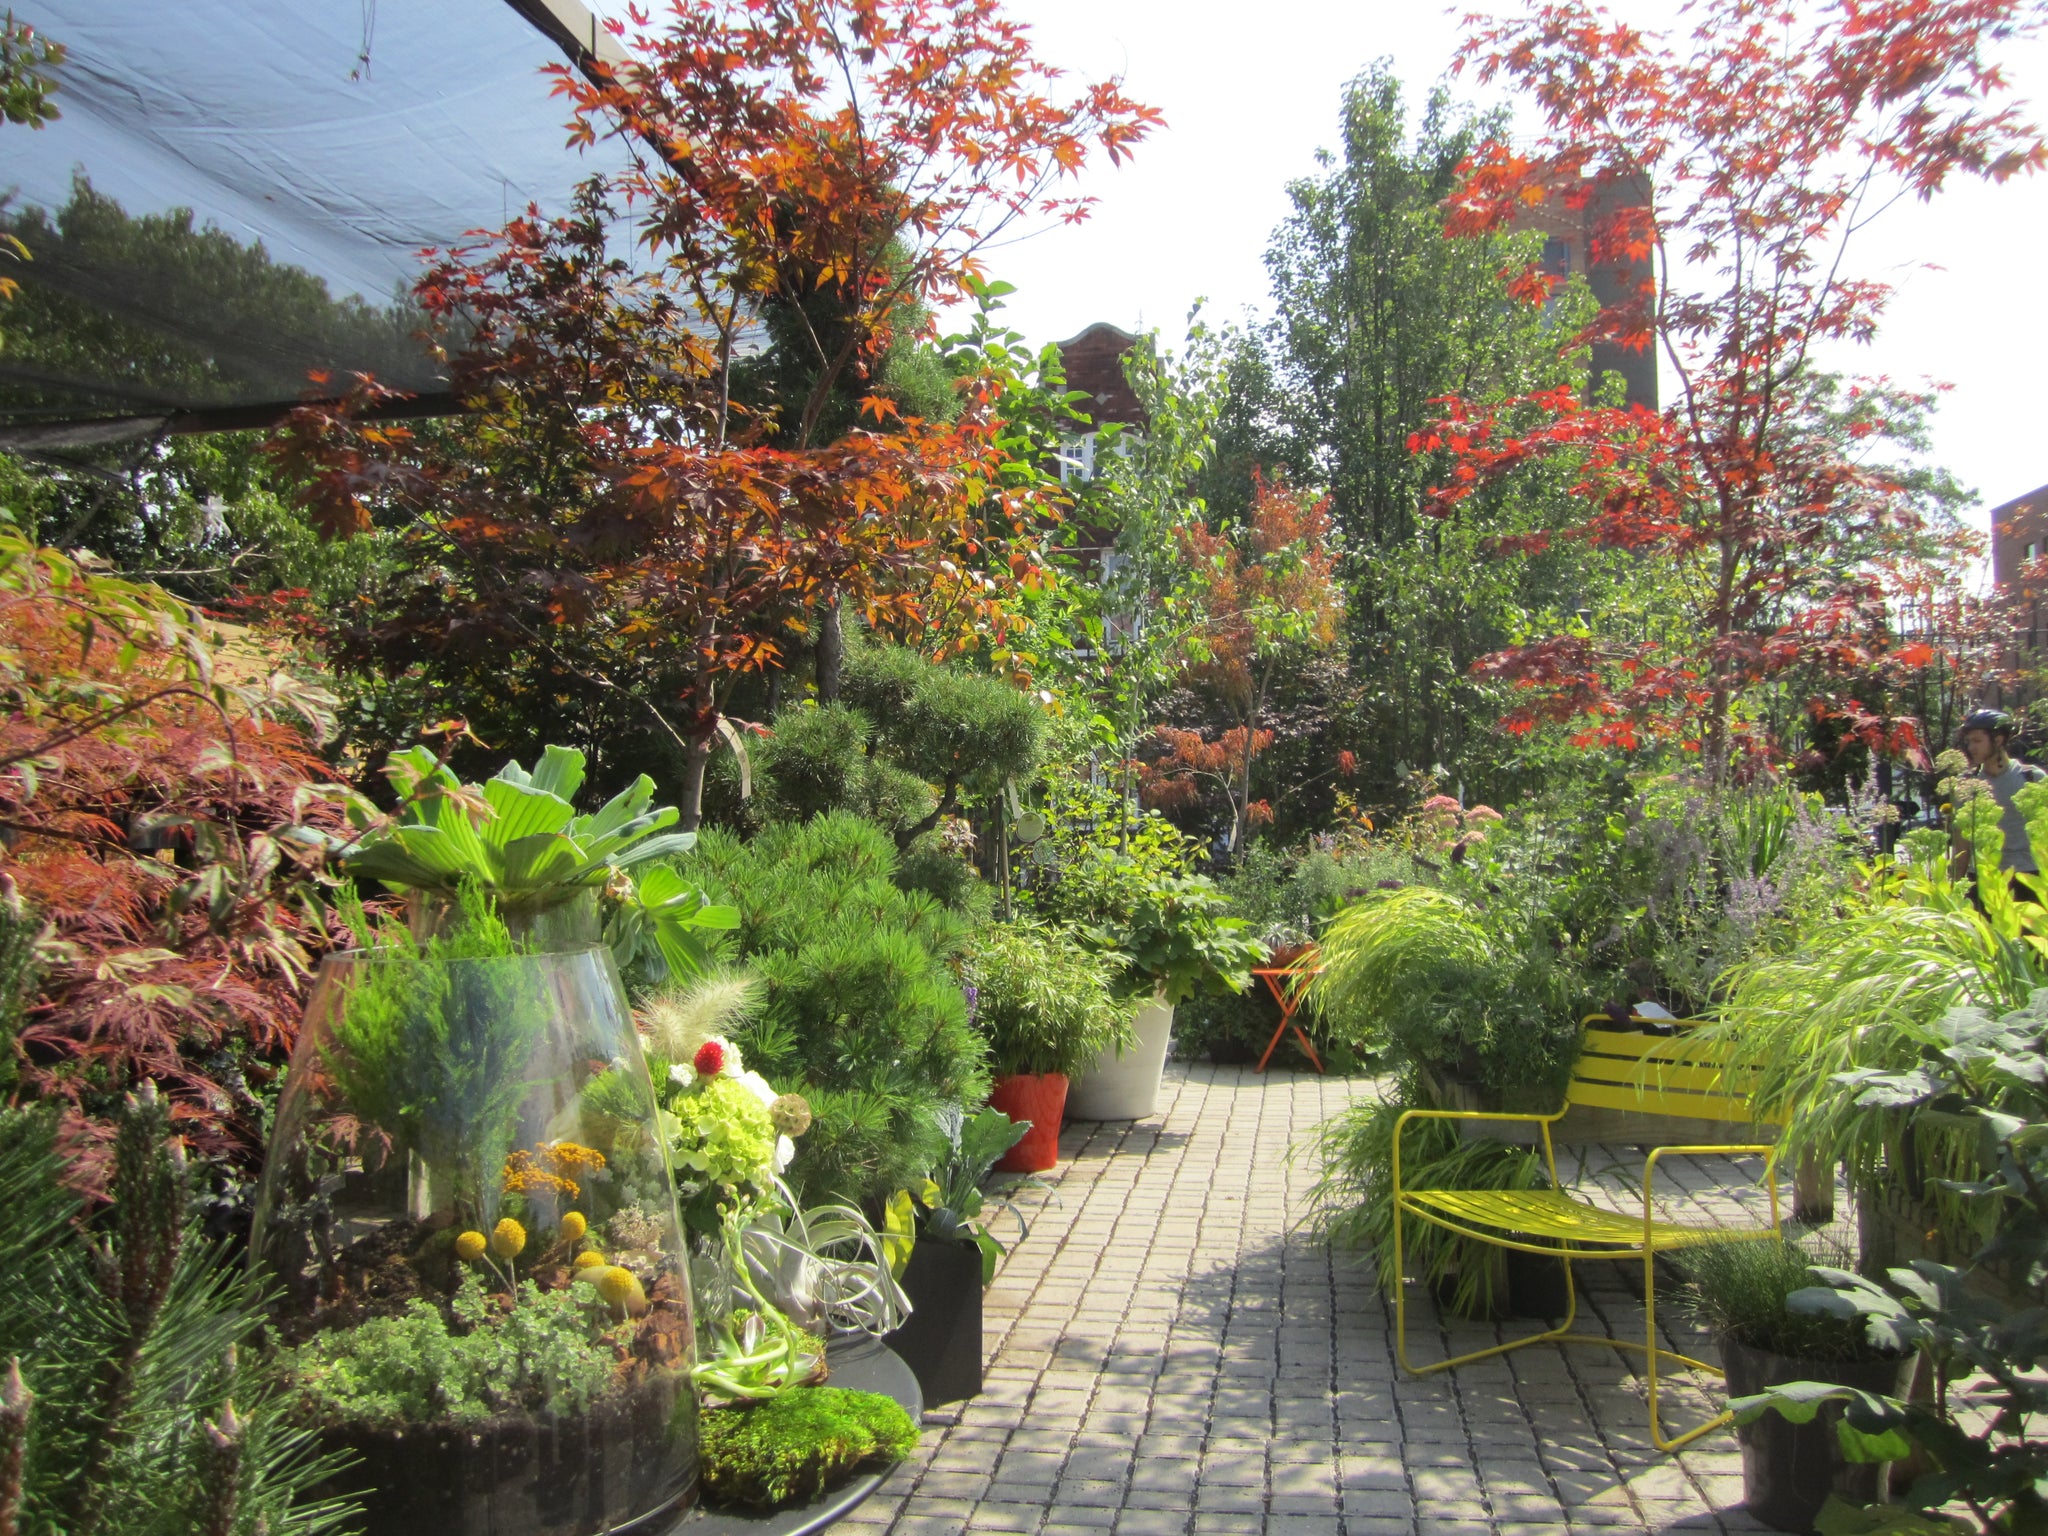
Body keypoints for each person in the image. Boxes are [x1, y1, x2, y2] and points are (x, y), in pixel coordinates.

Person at [1951, 708, 2048, 884]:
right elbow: (1961, 845)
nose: (1971, 747)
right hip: (1984, 878)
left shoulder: (2032, 778)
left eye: (1977, 741)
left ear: (1998, 740)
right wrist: (1953, 887)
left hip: (2030, 877)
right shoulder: (1967, 785)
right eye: (1968, 741)